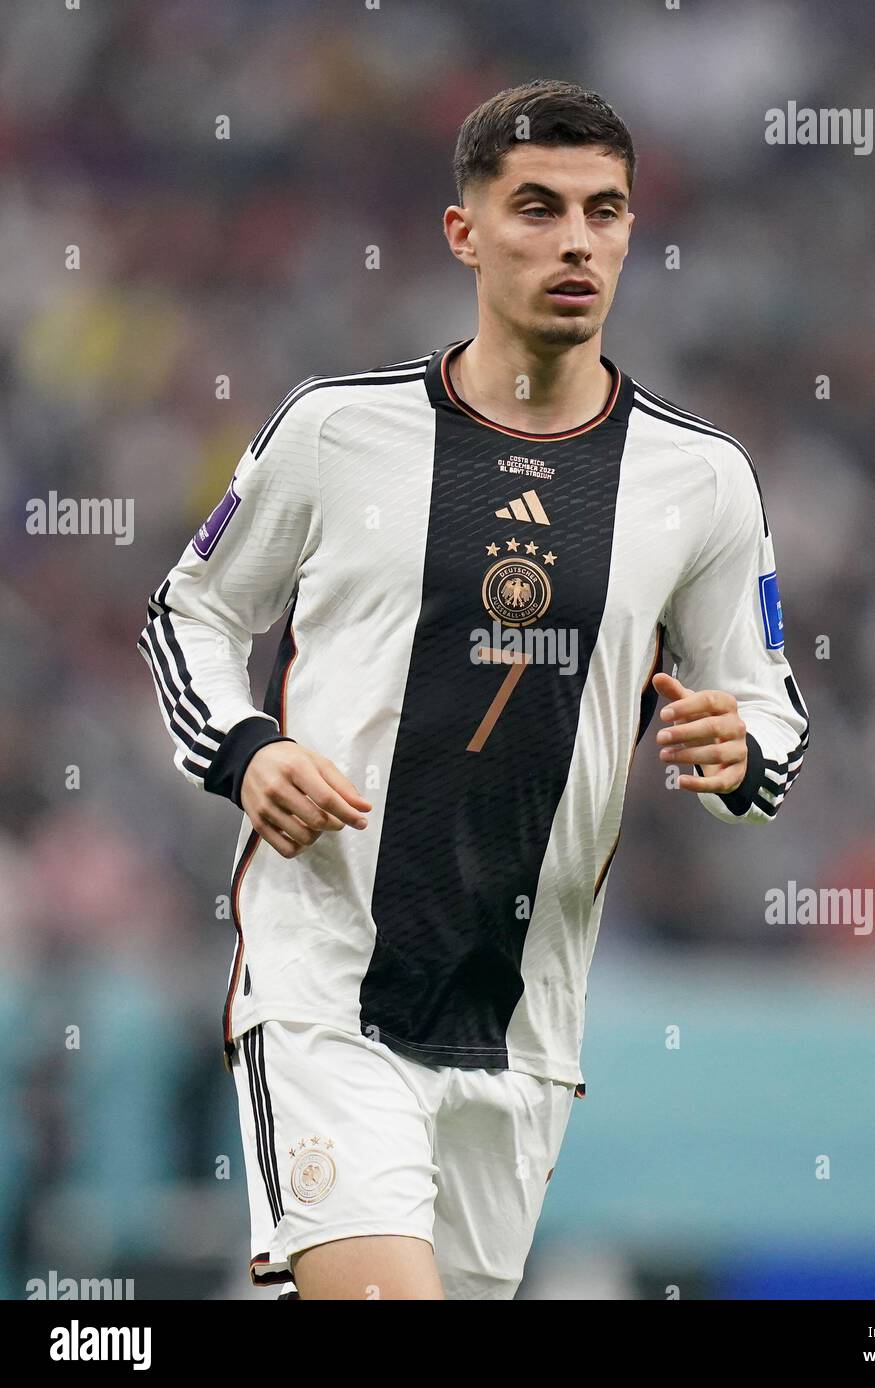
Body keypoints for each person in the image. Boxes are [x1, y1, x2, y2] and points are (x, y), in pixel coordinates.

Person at [137, 78, 809, 1301]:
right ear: (465, 232)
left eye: (602, 212)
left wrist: (741, 759)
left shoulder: (700, 482)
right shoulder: (337, 432)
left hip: (524, 1029)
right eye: (536, 208)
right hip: (326, 989)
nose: (573, 242)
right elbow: (190, 609)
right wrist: (244, 751)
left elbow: (767, 713)